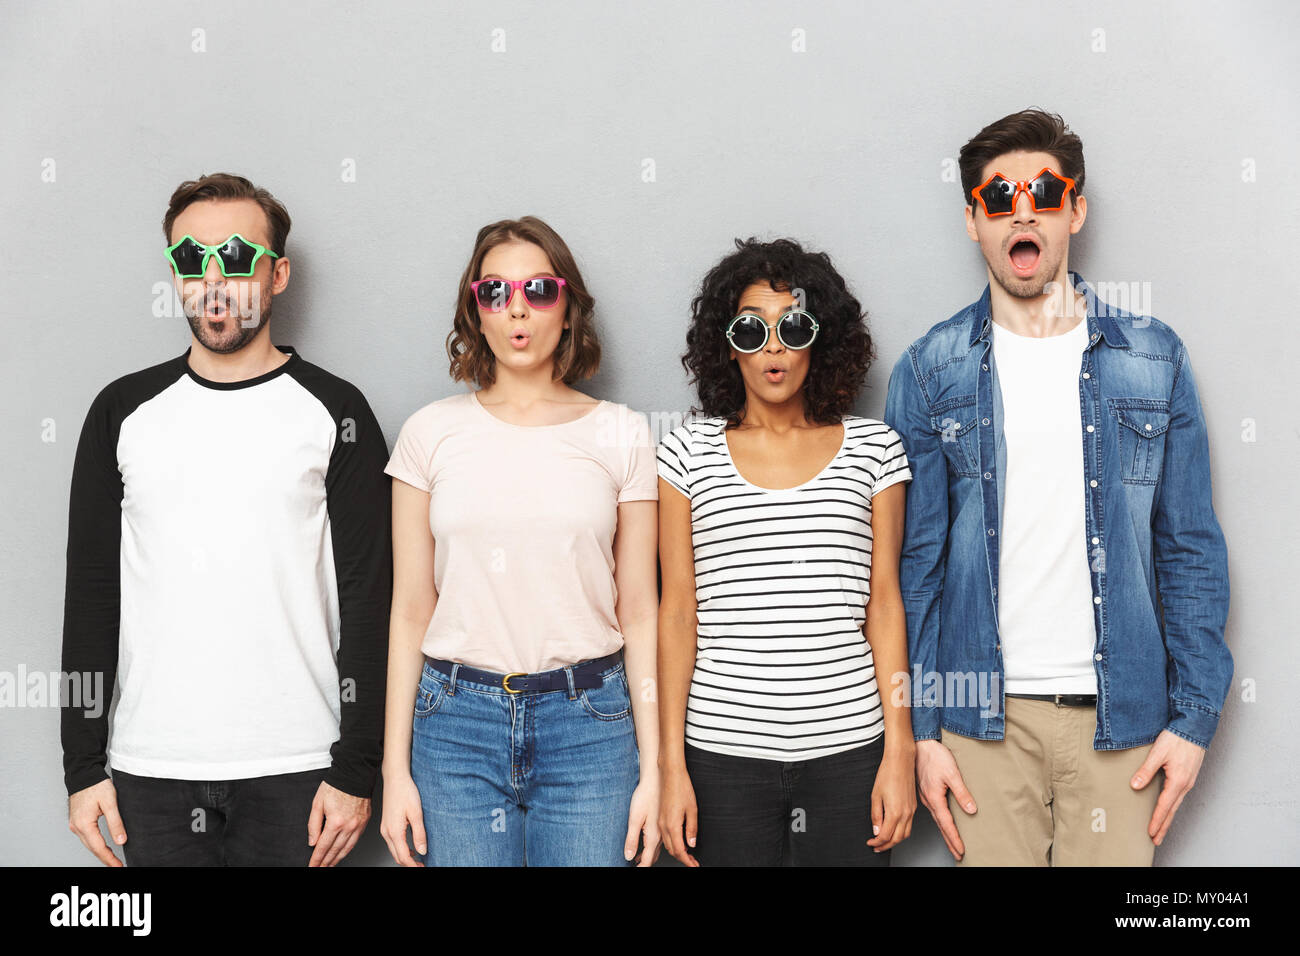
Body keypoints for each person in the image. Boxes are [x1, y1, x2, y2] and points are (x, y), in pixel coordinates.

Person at [884, 108, 1233, 866]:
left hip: (1125, 721)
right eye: (998, 197)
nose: (1022, 210)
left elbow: (1190, 548)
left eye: (1044, 192)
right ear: (974, 220)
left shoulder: (1152, 356)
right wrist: (919, 733)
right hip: (981, 727)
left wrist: (1195, 717)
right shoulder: (928, 370)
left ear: (1075, 209)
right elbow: (915, 572)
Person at [61, 172, 392, 867]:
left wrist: (357, 768)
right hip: (153, 771)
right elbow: (91, 595)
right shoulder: (121, 413)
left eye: (238, 257)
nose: (216, 279)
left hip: (300, 767)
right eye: (191, 259)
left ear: (277, 275)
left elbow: (372, 600)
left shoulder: (339, 413)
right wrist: (82, 766)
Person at [379, 216, 661, 867]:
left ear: (568, 308)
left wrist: (654, 769)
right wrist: (395, 773)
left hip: (589, 723)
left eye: (539, 289)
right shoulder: (429, 434)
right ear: (475, 313)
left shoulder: (621, 433)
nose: (517, 310)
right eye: (494, 293)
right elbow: (410, 608)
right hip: (454, 724)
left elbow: (640, 607)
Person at [656, 237, 916, 866]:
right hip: (720, 757)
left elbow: (884, 606)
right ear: (726, 343)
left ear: (820, 338)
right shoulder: (685, 454)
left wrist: (900, 748)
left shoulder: (875, 450)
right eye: (751, 329)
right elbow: (676, 614)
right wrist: (670, 768)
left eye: (792, 326)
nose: (772, 347)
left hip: (852, 752)